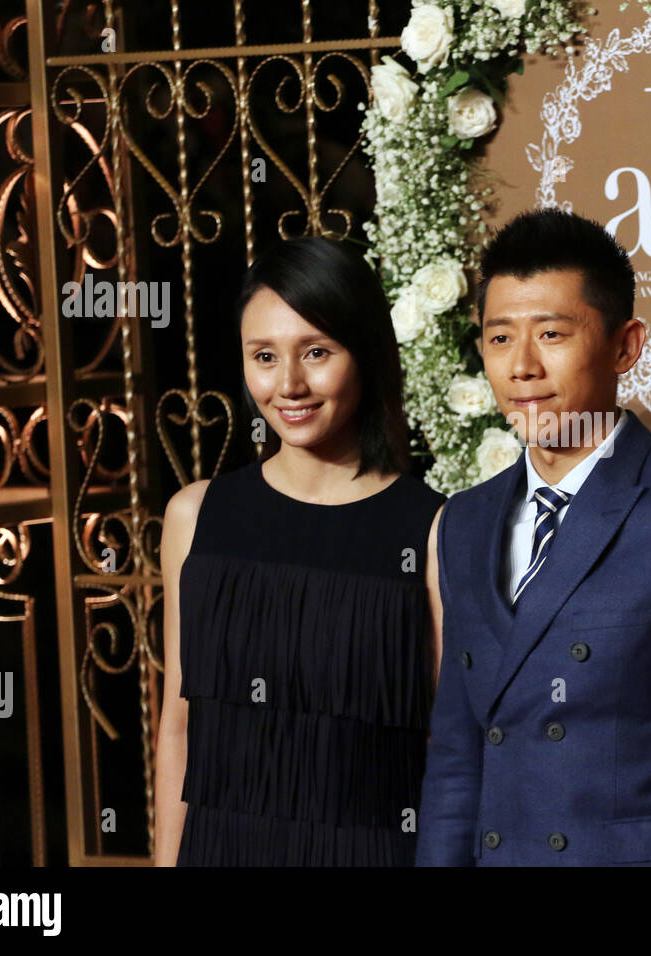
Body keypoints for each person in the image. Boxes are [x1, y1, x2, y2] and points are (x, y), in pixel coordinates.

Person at [415, 208, 651, 866]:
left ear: (626, 346)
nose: (523, 367)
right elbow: (456, 763)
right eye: (500, 338)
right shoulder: (464, 523)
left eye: (552, 334)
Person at [155, 237, 445, 866]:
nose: (288, 384)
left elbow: (444, 749)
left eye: (317, 352)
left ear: (364, 354)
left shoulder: (431, 529)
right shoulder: (195, 516)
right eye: (264, 356)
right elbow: (179, 732)